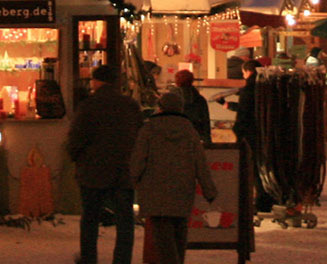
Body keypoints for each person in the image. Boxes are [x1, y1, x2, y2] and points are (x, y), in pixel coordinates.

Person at [129, 89, 217, 264]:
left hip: (155, 190)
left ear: (160, 108)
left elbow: (139, 159)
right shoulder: (189, 130)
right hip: (182, 190)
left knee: (162, 237)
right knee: (179, 234)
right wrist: (209, 190)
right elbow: (200, 162)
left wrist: (131, 181)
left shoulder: (149, 129)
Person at [67, 64, 142, 264]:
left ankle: (89, 258)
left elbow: (76, 137)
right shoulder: (130, 105)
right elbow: (139, 136)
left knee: (90, 218)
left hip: (93, 170)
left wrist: (76, 157)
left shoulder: (89, 105)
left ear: (97, 81)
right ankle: (122, 259)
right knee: (125, 221)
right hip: (123, 170)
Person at [172, 69, 210, 139]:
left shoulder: (171, 99)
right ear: (192, 81)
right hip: (195, 135)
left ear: (176, 81)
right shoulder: (200, 99)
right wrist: (207, 140)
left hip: (175, 135)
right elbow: (205, 121)